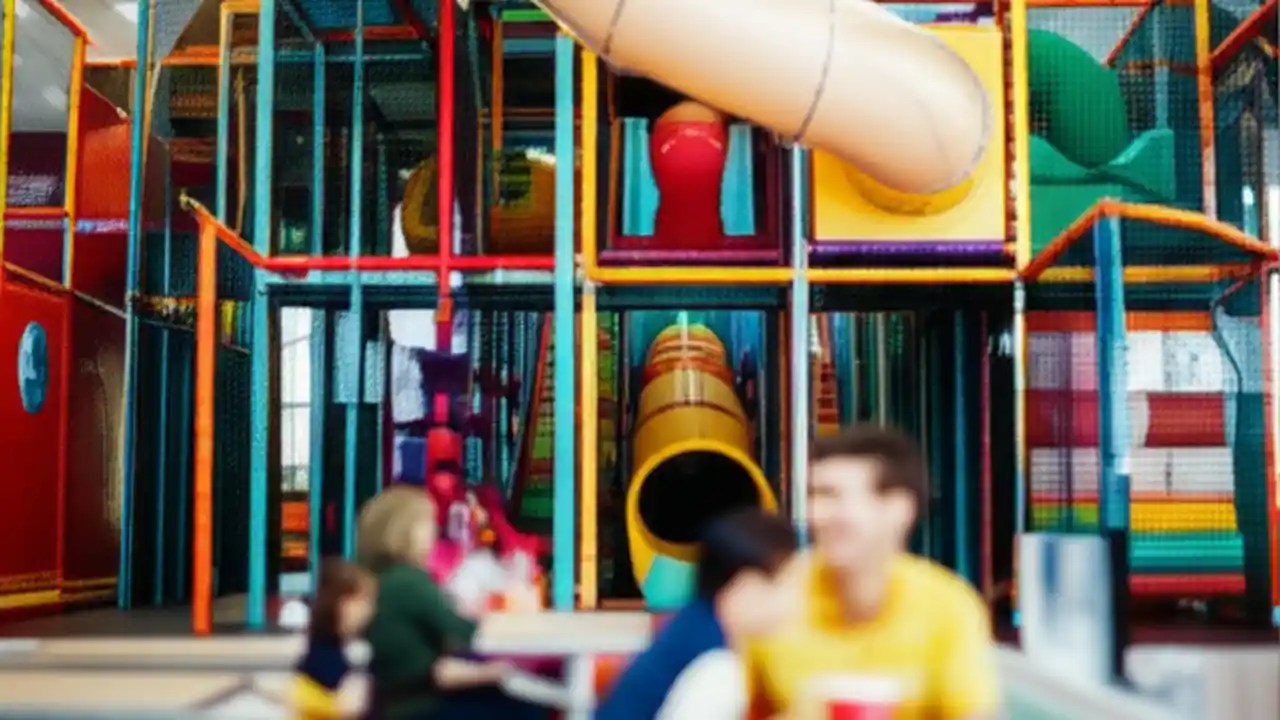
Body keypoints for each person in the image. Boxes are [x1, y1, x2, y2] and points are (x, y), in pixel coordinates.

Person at [745, 425, 999, 719]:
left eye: (835, 496)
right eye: (815, 496)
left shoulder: (947, 606)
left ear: (898, 508)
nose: (818, 515)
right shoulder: (777, 595)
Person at [356, 486, 548, 720]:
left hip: (394, 705)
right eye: (427, 526)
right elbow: (462, 633)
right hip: (423, 708)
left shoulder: (376, 580)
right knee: (528, 706)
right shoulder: (409, 581)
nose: (433, 533)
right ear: (407, 533)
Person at [597, 509, 801, 720]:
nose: (796, 598)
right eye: (786, 582)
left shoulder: (696, 626)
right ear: (742, 586)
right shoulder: (719, 666)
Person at [292, 559, 377, 719]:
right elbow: (349, 706)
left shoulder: (353, 647)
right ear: (340, 603)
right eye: (362, 600)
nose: (369, 610)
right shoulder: (324, 656)